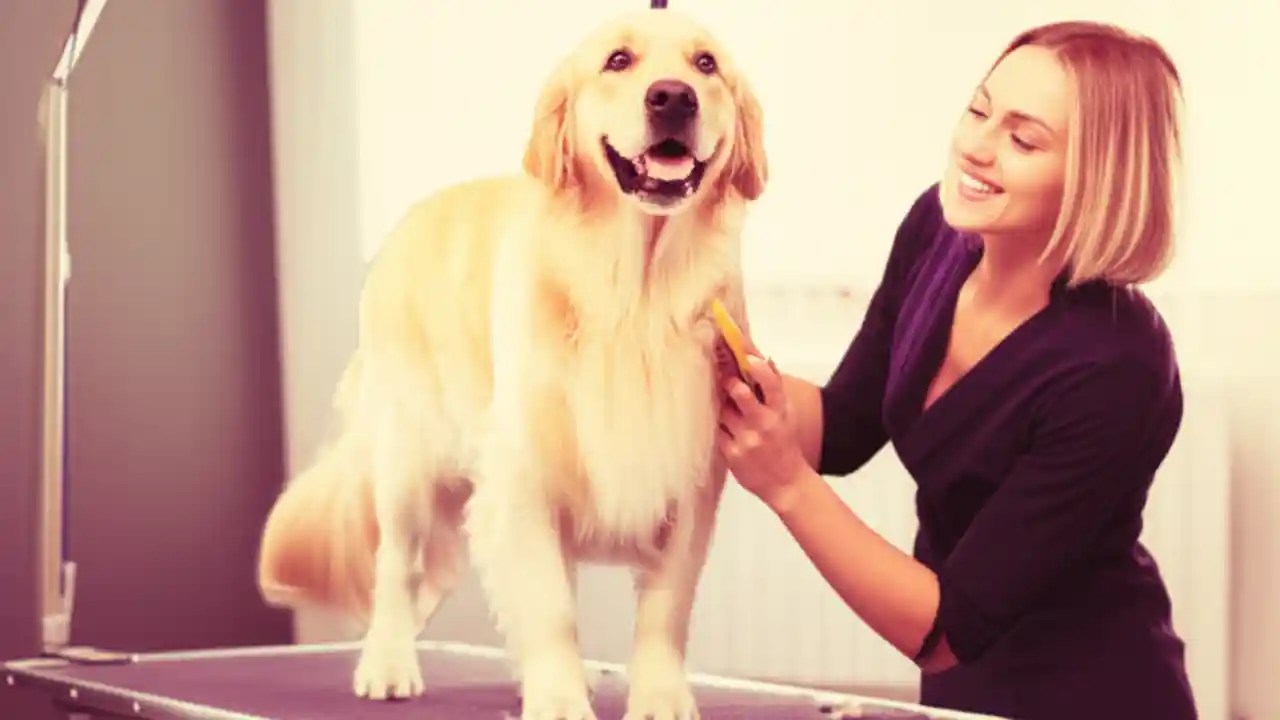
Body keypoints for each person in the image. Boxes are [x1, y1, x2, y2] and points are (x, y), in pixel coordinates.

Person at [712, 20, 1198, 720]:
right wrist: (713, 370)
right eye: (978, 109)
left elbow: (946, 631)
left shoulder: (1120, 370)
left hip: (1091, 691)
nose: (976, 145)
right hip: (963, 690)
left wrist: (784, 483)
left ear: (1097, 178)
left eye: (1023, 139)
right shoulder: (940, 234)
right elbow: (844, 426)